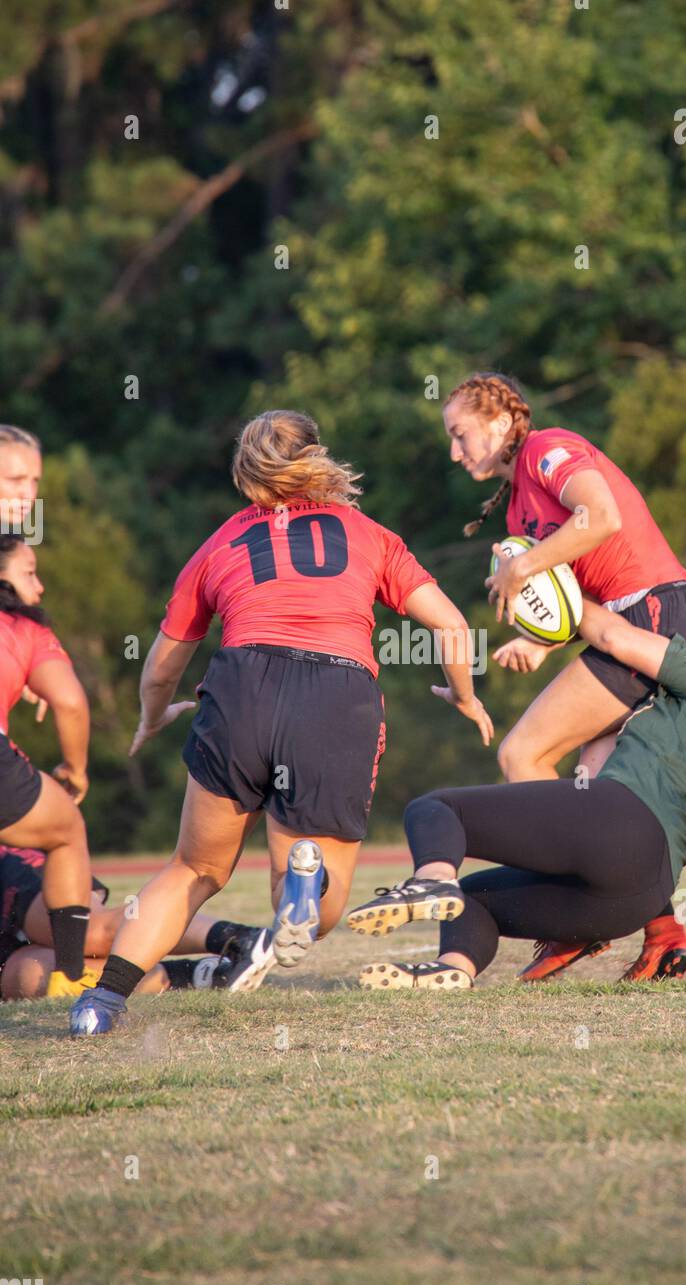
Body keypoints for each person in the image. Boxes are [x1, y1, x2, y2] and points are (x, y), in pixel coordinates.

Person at [71, 409, 493, 1036]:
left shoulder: (221, 541)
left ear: (247, 474)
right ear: (317, 458)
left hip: (242, 683)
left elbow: (163, 664)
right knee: (314, 913)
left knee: (194, 868)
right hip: (337, 691)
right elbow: (452, 626)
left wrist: (152, 717)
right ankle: (306, 877)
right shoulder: (368, 533)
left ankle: (99, 1005)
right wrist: (464, 695)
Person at [347, 596, 686, 989]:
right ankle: (450, 972)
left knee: (436, 810)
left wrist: (556, 594)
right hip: (638, 898)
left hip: (621, 824)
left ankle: (431, 881)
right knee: (475, 899)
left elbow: (615, 636)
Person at [443, 371, 686, 981]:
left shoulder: (546, 447)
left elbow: (602, 518)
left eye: (461, 435)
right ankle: (664, 933)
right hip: (646, 620)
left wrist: (522, 570)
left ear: (498, 421)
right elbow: (574, 593)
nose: (455, 452)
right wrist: (541, 643)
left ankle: (571, 922)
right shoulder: (517, 499)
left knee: (523, 754)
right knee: (598, 791)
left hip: (655, 615)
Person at [0, 533, 97, 997]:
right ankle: (71, 977)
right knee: (66, 830)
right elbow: (72, 704)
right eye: (29, 572)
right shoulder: (23, 626)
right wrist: (75, 771)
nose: (37, 588)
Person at [0, 845, 267, 999]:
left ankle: (240, 939)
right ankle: (198, 974)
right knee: (30, 976)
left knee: (90, 932)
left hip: (10, 868)